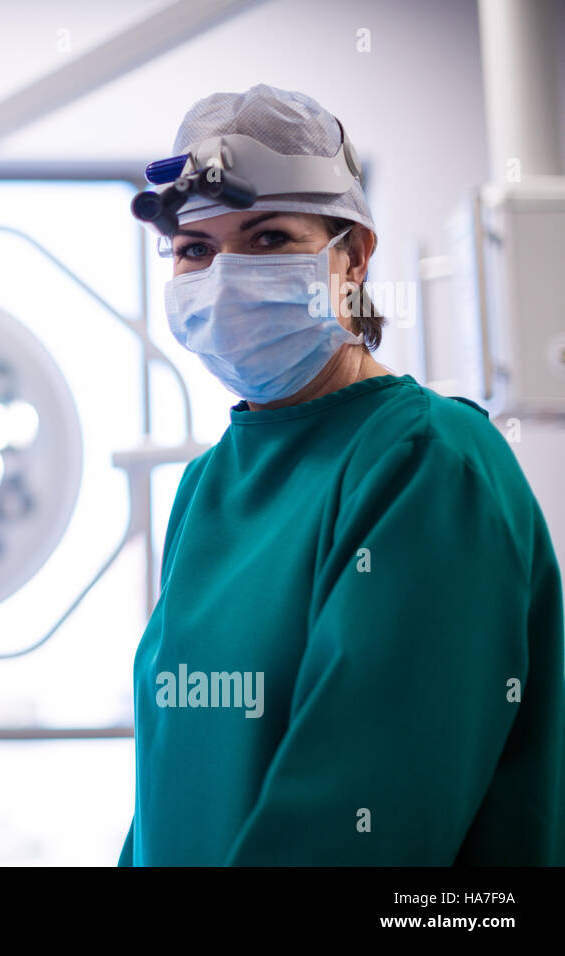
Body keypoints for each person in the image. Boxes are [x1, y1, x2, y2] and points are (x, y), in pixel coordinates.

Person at [119, 84, 564, 865]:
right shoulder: (208, 485)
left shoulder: (427, 463)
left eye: (267, 239)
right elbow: (173, 783)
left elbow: (363, 817)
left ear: (352, 257)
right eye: (196, 250)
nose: (223, 277)